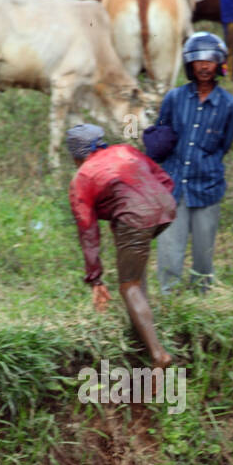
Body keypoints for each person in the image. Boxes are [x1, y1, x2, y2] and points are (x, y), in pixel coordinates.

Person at [67, 124, 176, 369]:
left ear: (75, 155)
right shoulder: (125, 150)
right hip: (166, 207)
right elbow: (165, 180)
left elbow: (88, 232)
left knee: (129, 286)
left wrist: (95, 278)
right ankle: (141, 325)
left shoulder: (82, 177)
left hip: (136, 217)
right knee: (134, 267)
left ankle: (158, 354)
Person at [154, 32, 233, 296]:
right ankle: (169, 306)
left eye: (210, 61)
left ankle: (203, 305)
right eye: (198, 61)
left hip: (207, 187)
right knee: (170, 253)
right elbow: (161, 136)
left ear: (219, 64)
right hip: (174, 187)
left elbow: (224, 145)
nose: (204, 66)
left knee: (204, 259)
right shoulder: (174, 98)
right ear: (189, 64)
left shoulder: (228, 104)